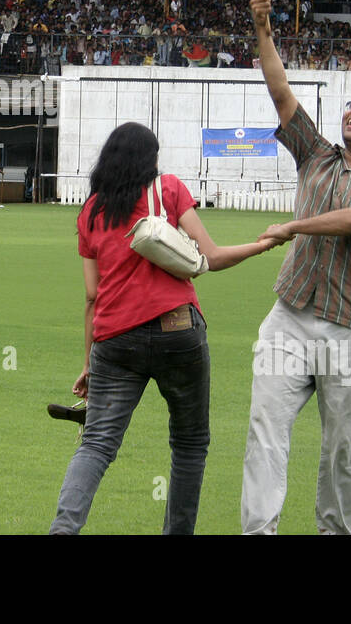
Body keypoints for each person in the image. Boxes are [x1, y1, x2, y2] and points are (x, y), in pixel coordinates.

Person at [49, 122, 280, 535]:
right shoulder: (168, 189)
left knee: (97, 445)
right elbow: (210, 257)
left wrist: (88, 364)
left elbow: (91, 295)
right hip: (178, 330)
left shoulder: (91, 211)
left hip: (114, 339)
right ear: (149, 160)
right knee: (189, 445)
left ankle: (63, 530)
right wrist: (263, 245)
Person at [243, 0, 351, 535]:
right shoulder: (316, 153)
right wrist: (264, 30)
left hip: (349, 331)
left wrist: (293, 225)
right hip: (288, 320)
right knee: (265, 429)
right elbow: (280, 90)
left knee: (342, 448)